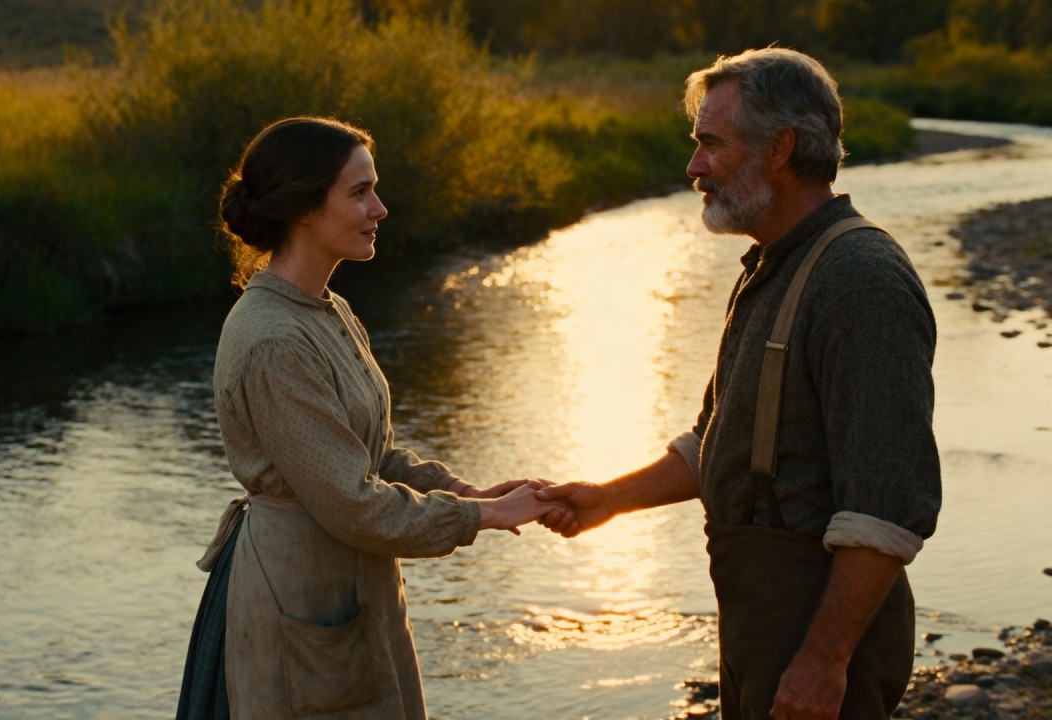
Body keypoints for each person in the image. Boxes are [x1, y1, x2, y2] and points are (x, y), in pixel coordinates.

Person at [538, 48, 941, 719]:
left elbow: (888, 507)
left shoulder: (860, 283)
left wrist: (824, 660)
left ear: (779, 148)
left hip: (816, 631)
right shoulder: (773, 265)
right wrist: (605, 500)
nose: (693, 168)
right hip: (764, 623)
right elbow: (719, 442)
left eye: (709, 144)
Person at [176, 116, 565, 720]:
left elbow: (371, 454)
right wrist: (482, 515)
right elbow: (355, 502)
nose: (379, 208)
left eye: (374, 189)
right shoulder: (273, 339)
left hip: (348, 585)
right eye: (359, 193)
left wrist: (461, 490)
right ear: (304, 208)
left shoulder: (328, 308)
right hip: (295, 593)